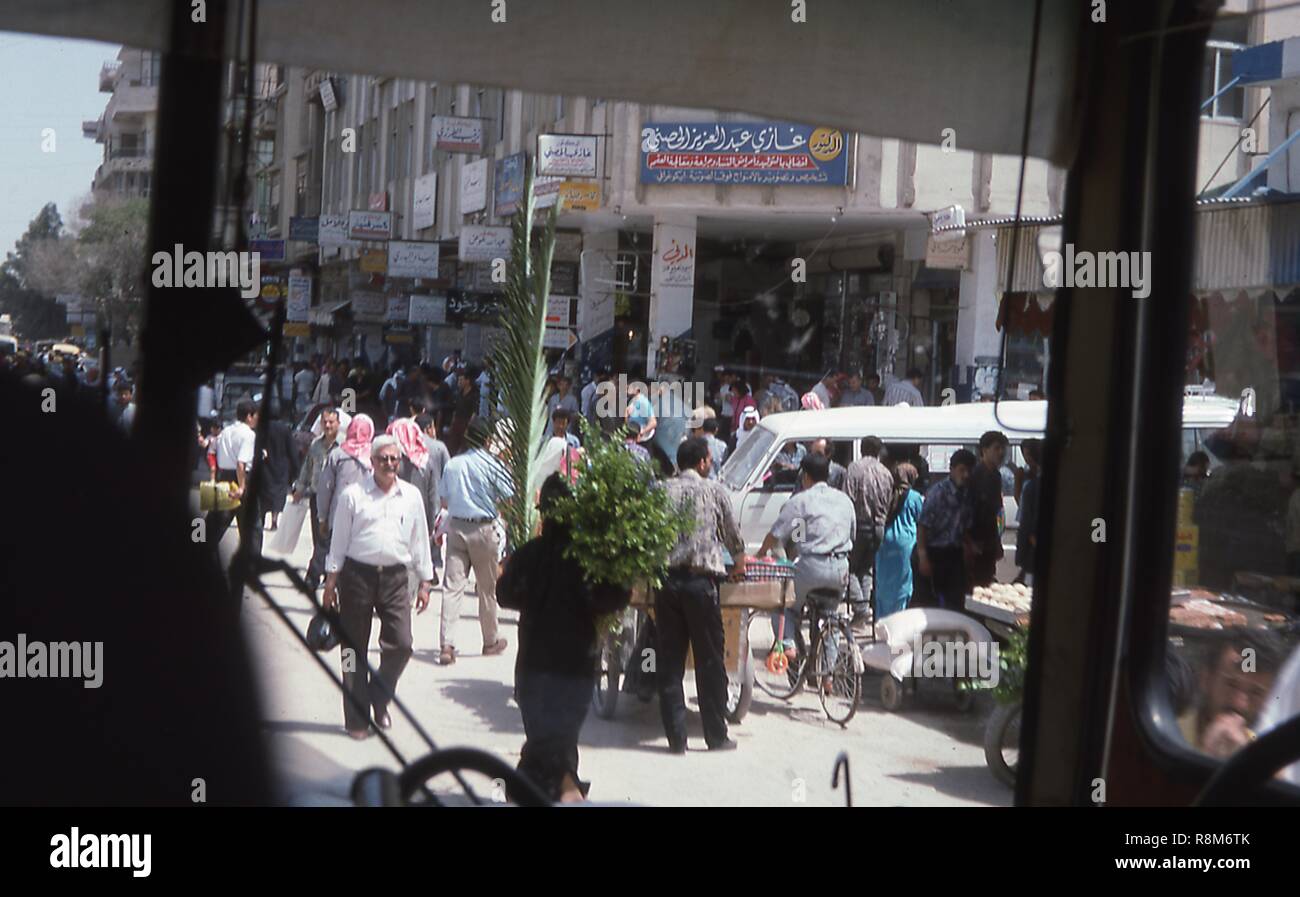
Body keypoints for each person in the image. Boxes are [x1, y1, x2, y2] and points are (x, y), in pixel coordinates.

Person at [496, 473, 631, 802]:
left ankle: (532, 788)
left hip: (534, 665)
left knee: (544, 737)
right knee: (558, 737)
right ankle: (565, 789)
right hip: (575, 665)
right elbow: (613, 598)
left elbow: (504, 595)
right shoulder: (589, 559)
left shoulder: (528, 555)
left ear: (543, 514)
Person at [322, 435, 434, 739]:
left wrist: (425, 581)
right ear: (371, 462)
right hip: (356, 577)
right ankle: (356, 721)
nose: (389, 464)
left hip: (396, 578)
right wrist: (331, 581)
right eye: (383, 458)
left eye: (394, 459)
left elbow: (420, 539)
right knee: (353, 650)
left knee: (402, 644)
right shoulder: (352, 495)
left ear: (400, 462)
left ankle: (377, 697)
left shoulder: (411, 496)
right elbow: (339, 541)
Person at [658, 437, 747, 753]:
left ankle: (677, 740)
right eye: (710, 459)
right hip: (701, 586)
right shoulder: (713, 490)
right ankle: (715, 736)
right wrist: (740, 562)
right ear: (702, 462)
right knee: (710, 661)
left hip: (665, 585)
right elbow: (732, 535)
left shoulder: (660, 491)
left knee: (669, 662)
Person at [758, 453, 859, 666]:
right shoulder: (844, 500)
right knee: (831, 615)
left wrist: (759, 555)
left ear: (805, 476)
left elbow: (776, 536)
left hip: (811, 568)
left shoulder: (800, 501)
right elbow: (852, 535)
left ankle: (788, 645)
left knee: (784, 604)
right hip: (840, 568)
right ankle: (829, 672)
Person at [437, 420, 514, 665]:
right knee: (487, 588)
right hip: (483, 529)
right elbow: (509, 499)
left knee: (452, 588)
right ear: (487, 440)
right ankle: (490, 641)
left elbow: (444, 502)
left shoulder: (453, 464)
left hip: (457, 527)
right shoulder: (493, 464)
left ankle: (447, 644)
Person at [841, 435, 894, 626]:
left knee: (850, 569)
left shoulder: (854, 469)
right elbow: (889, 500)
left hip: (859, 526)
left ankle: (861, 609)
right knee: (866, 570)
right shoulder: (886, 473)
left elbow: (847, 498)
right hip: (878, 526)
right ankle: (862, 613)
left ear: (862, 449)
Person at [917, 449, 976, 609]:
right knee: (932, 603)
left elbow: (963, 526)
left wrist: (969, 546)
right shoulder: (938, 493)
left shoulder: (967, 494)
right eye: (961, 470)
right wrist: (923, 557)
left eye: (969, 471)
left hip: (954, 554)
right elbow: (922, 526)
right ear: (952, 469)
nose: (965, 475)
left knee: (956, 602)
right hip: (935, 552)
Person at [292, 406, 342, 590]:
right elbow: (307, 467)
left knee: (329, 539)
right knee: (319, 538)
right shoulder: (315, 445)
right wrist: (299, 487)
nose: (327, 425)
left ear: (338, 423)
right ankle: (323, 574)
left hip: (337, 500)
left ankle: (313, 577)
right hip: (316, 496)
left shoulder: (343, 447)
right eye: (325, 422)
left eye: (331, 422)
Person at [207, 399, 261, 558]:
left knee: (214, 522)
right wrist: (242, 487)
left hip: (223, 475)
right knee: (251, 525)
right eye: (256, 415)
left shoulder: (225, 431)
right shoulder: (249, 434)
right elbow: (241, 463)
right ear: (249, 416)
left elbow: (214, 452)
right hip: (241, 478)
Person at [316, 413, 375, 543]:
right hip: (367, 519)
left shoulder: (337, 454)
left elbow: (325, 487)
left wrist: (322, 518)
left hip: (339, 516)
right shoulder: (377, 456)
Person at [874, 462, 924, 617]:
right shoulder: (914, 497)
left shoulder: (885, 493)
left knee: (882, 583)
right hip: (905, 544)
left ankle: (881, 620)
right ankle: (898, 618)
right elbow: (922, 519)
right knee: (903, 585)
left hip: (883, 541)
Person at [969, 430, 1009, 588]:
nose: (1001, 453)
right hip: (974, 544)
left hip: (989, 543)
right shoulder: (974, 476)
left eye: (1003, 449)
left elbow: (997, 511)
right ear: (984, 450)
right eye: (997, 448)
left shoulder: (996, 477)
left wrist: (997, 541)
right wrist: (970, 542)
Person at [258, 413, 298, 531]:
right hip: (281, 467)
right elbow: (292, 449)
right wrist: (296, 470)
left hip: (265, 466)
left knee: (263, 493)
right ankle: (274, 520)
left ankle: (262, 518)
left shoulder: (262, 428)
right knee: (278, 494)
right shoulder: (285, 429)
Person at [1016, 438, 1043, 585]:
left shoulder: (1032, 486)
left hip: (1033, 548)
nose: (1027, 458)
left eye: (1028, 454)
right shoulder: (1025, 475)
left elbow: (1027, 523)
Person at [446, 367, 480, 455]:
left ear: (467, 381)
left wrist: (469, 426)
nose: (459, 382)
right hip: (457, 421)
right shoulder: (459, 393)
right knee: (452, 445)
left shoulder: (474, 395)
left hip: (466, 422)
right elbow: (456, 409)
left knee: (464, 447)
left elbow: (474, 412)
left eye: (461, 380)